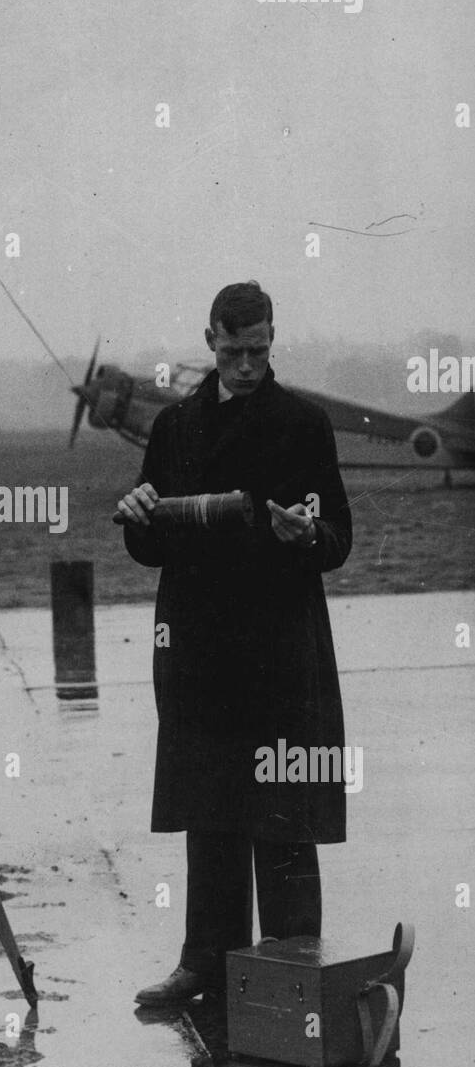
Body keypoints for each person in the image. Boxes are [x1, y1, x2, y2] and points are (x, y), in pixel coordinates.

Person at [119, 280, 352, 1006]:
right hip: (198, 649)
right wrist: (135, 517)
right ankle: (204, 964)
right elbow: (150, 542)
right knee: (209, 808)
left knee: (282, 811)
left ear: (272, 339)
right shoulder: (174, 428)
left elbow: (337, 537)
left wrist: (306, 533)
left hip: (281, 650)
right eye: (233, 351)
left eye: (259, 350)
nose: (248, 364)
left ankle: (292, 971)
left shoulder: (302, 424)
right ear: (210, 340)